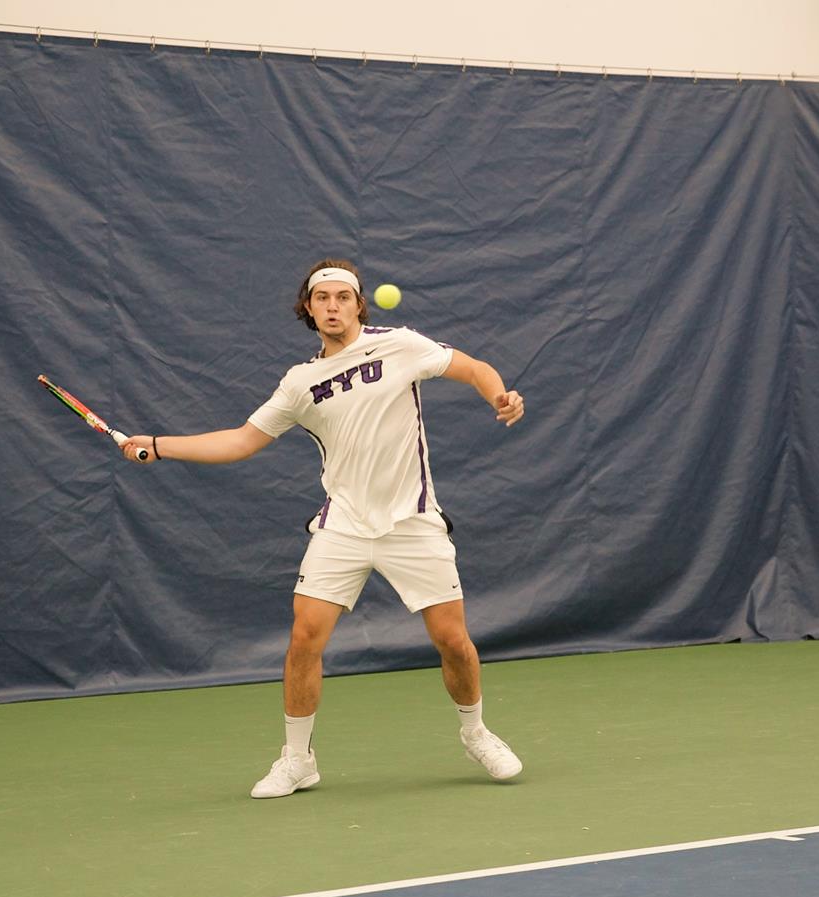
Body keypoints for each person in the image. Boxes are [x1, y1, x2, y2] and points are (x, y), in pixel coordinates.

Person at [122, 258, 525, 798]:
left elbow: (474, 368)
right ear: (308, 310)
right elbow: (241, 441)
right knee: (304, 637)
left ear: (359, 305)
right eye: (322, 299)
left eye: (342, 298)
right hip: (344, 526)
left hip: (413, 520)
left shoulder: (400, 345)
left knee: (453, 640)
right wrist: (160, 445)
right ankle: (297, 760)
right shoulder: (300, 383)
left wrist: (499, 395)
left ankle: (476, 734)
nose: (332, 307)